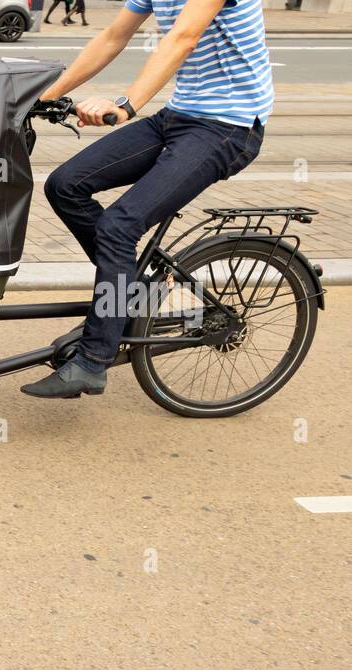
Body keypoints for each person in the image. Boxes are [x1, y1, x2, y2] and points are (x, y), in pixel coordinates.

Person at [21, 0, 272, 399]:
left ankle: (92, 360)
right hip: (178, 116)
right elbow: (113, 36)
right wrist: (41, 97)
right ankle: (131, 294)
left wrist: (125, 106)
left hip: (229, 126)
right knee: (65, 184)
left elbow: (183, 38)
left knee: (119, 226)